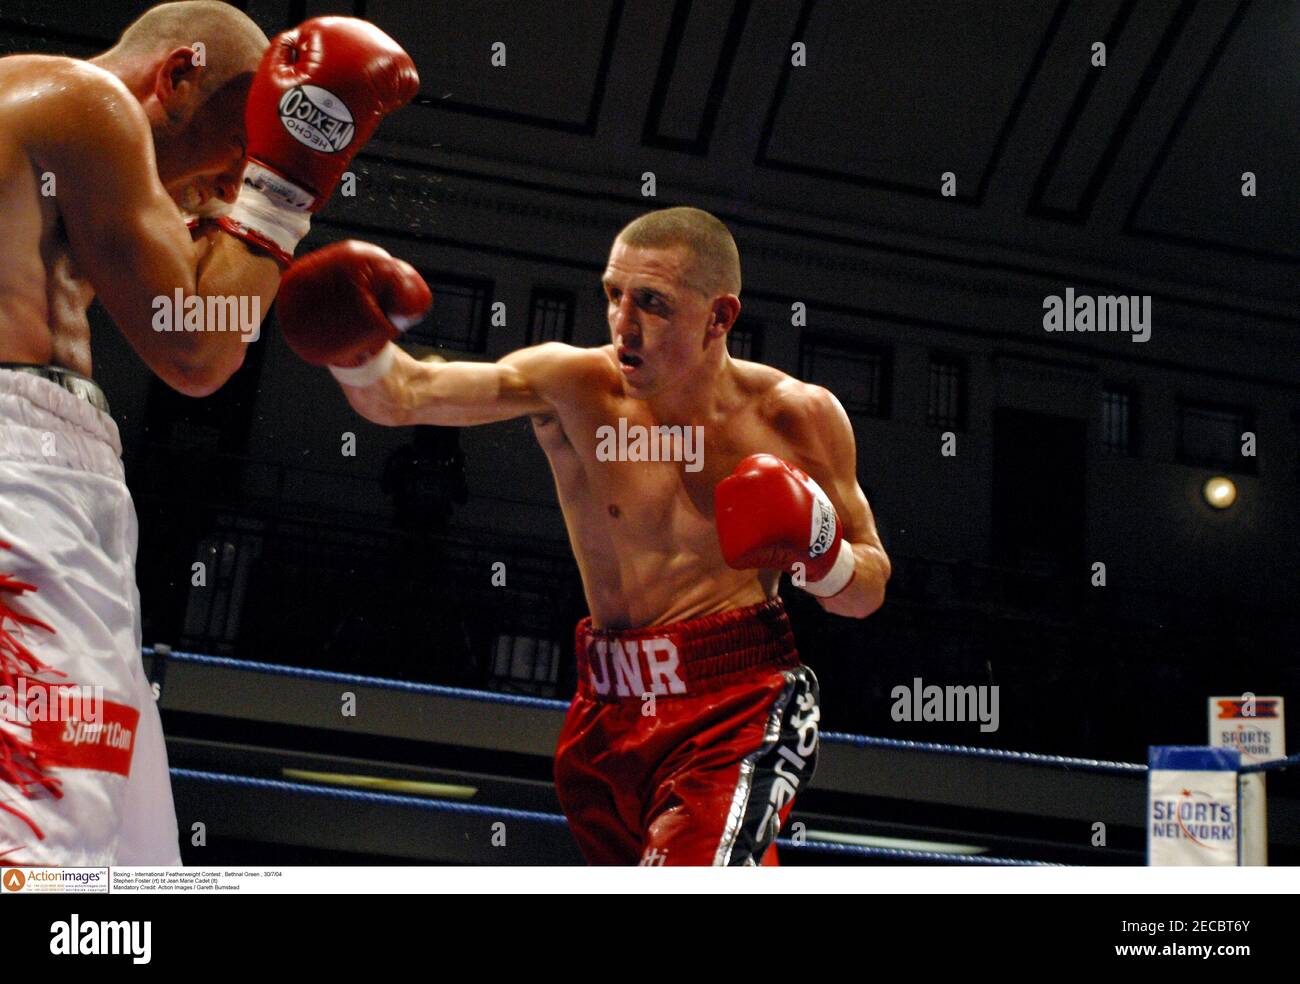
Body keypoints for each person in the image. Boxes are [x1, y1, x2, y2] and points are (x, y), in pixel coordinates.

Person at [276, 207, 892, 865]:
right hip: (605, 715)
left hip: (737, 706)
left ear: (720, 317)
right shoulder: (573, 385)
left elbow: (866, 590)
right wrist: (355, 346)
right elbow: (404, 394)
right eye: (613, 294)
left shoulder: (795, 415)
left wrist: (821, 551)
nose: (623, 323)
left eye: (652, 303)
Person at [0, 2, 418, 864]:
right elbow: (196, 348)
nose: (229, 189)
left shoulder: (40, 144)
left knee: (126, 863)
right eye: (236, 152)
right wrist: (285, 185)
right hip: (22, 479)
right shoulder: (88, 101)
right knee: (43, 838)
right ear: (177, 75)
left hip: (49, 483)